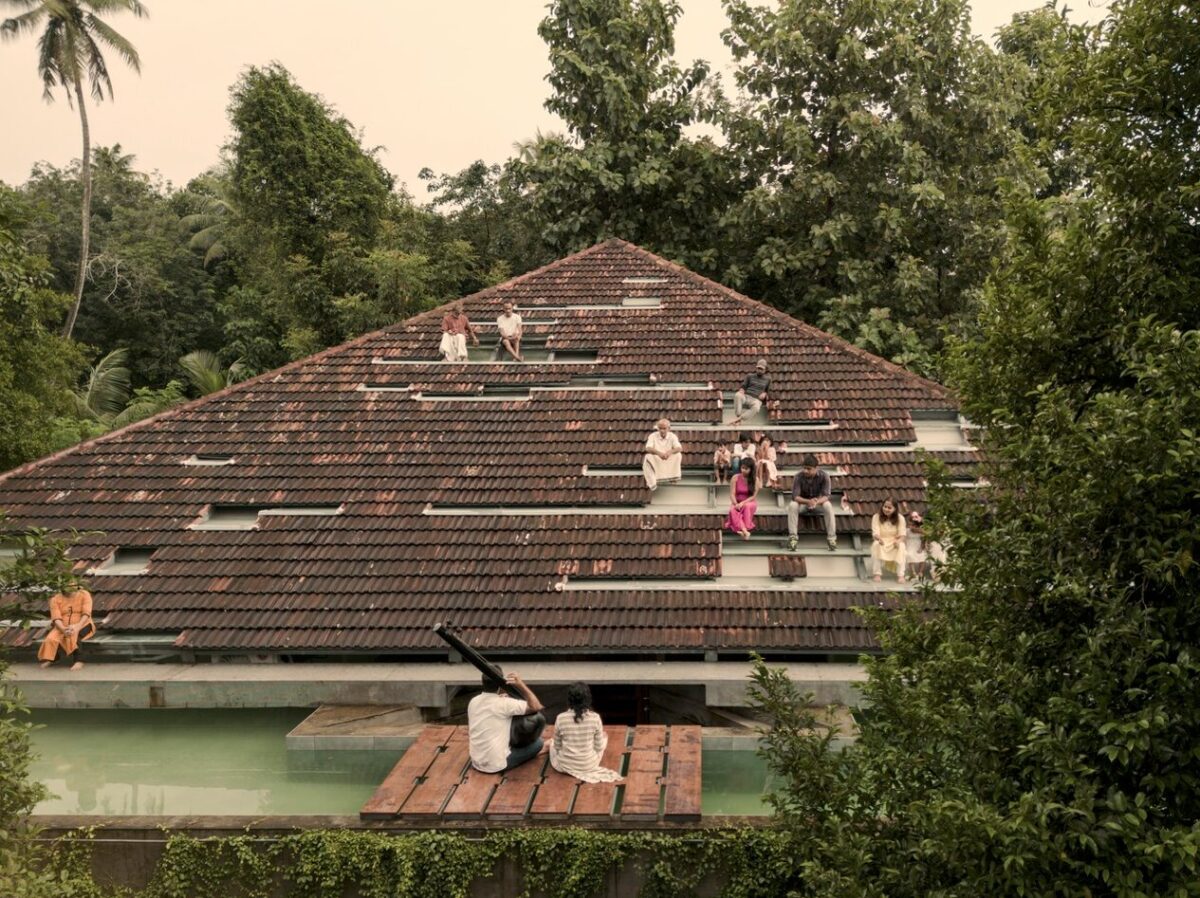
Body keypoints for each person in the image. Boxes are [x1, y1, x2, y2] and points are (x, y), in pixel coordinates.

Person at [467, 670, 546, 774]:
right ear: (500, 683)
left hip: (476, 761)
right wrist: (521, 685)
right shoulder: (504, 704)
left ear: (482, 682)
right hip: (496, 765)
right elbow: (536, 706)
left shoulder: (474, 701)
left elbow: (491, 707)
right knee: (539, 743)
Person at [549, 682, 623, 783]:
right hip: (589, 764)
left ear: (569, 700)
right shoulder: (595, 718)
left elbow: (557, 746)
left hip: (565, 766)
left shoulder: (560, 718)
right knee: (604, 738)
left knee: (552, 744)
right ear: (588, 699)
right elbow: (599, 747)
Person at [38, 581, 95, 671]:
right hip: (61, 625)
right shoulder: (55, 599)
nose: (71, 589)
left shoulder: (84, 594)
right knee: (51, 639)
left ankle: (79, 660)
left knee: (73, 635)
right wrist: (63, 629)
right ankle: (53, 658)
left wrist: (77, 626)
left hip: (84, 623)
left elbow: (86, 613)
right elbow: (56, 617)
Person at [787, 453, 837, 552]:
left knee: (828, 506)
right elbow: (795, 497)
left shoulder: (824, 476)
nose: (805, 471)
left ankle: (832, 539)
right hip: (803, 505)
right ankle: (793, 538)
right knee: (792, 505)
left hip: (817, 504)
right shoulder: (798, 476)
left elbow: (826, 496)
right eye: (804, 468)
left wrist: (816, 502)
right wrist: (808, 501)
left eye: (809, 469)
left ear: (816, 468)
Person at [871, 498, 908, 583]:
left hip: (895, 540)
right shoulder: (876, 517)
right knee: (876, 545)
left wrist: (898, 541)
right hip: (881, 540)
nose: (886, 509)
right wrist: (879, 539)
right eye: (885, 506)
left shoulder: (900, 518)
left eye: (889, 508)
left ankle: (901, 575)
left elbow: (903, 534)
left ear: (895, 509)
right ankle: (877, 574)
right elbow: (875, 532)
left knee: (901, 547)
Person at [642, 418, 682, 491]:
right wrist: (659, 453)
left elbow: (679, 448)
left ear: (669, 429)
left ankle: (673, 477)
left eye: (664, 428)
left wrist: (669, 453)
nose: (662, 431)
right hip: (657, 459)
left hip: (668, 459)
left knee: (678, 455)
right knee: (647, 457)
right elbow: (648, 448)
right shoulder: (652, 436)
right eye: (660, 428)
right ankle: (652, 482)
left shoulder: (672, 436)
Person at [724, 457, 760, 540]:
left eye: (746, 469)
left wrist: (742, 503)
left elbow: (753, 496)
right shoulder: (735, 478)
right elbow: (732, 494)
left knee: (746, 507)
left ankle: (742, 531)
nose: (743, 470)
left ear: (751, 469)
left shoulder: (756, 480)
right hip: (737, 501)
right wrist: (736, 504)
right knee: (732, 510)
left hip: (749, 502)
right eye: (742, 468)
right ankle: (745, 531)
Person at [732, 358, 771, 423]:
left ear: (765, 370)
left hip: (756, 400)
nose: (759, 370)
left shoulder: (768, 379)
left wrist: (765, 393)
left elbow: (768, 391)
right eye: (758, 368)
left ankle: (741, 419)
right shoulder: (749, 376)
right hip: (746, 397)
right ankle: (738, 414)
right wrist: (742, 390)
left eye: (761, 369)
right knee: (737, 395)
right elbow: (743, 387)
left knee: (756, 408)